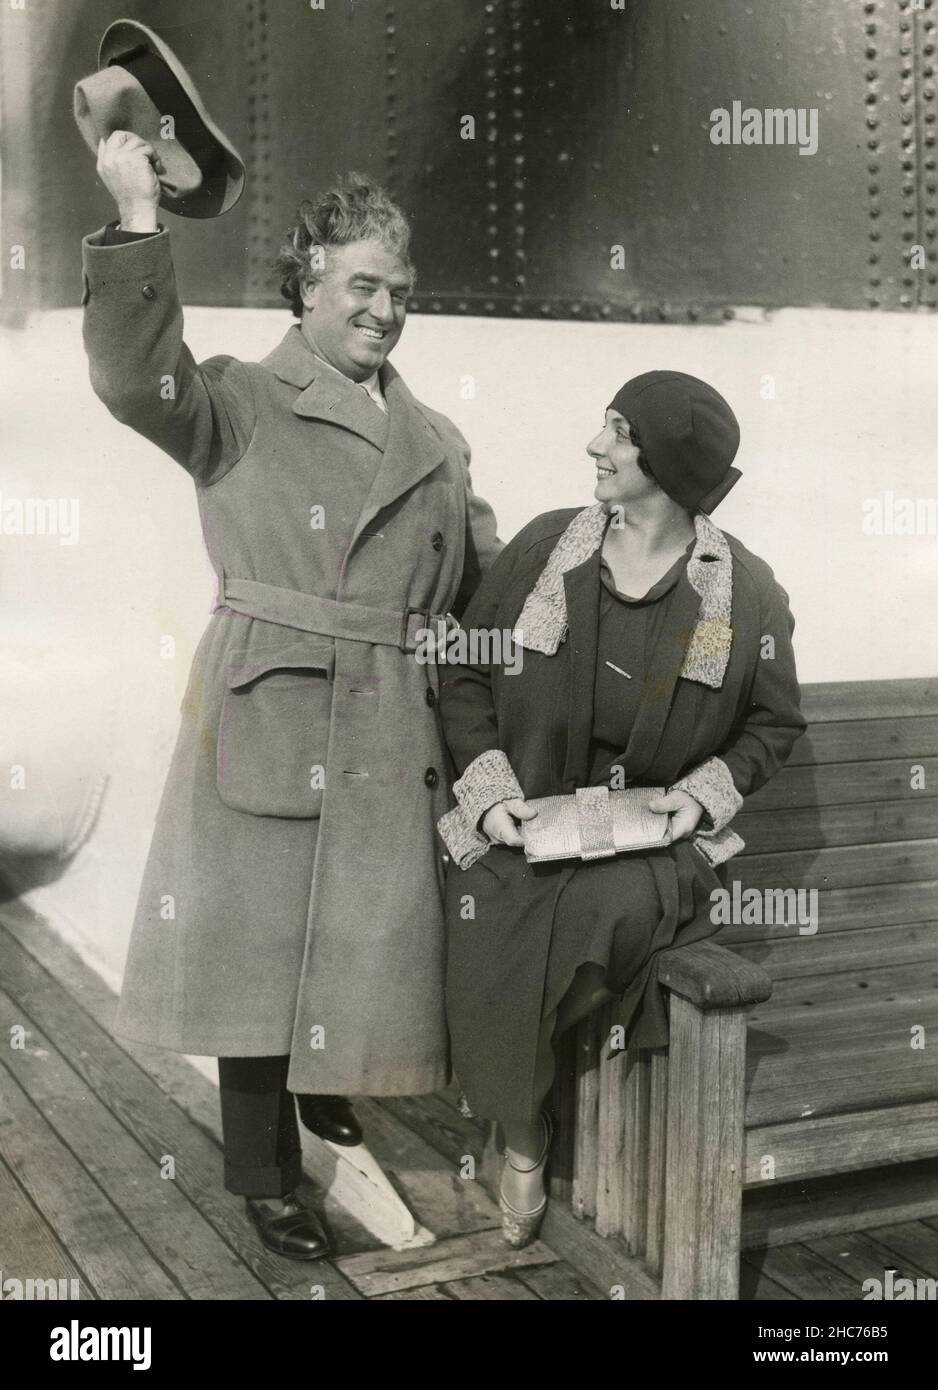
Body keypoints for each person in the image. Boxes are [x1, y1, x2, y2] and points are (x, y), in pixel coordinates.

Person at [81, 131, 501, 1259]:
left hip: (386, 714)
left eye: (399, 292)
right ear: (308, 277)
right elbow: (132, 377)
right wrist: (135, 219)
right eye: (361, 284)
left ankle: (333, 1107)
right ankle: (265, 1174)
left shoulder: (439, 440)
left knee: (365, 941)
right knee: (258, 952)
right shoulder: (239, 399)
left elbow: (482, 585)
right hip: (272, 698)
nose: (383, 311)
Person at [436, 371, 806, 1247]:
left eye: (618, 434)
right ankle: (525, 1132)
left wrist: (697, 797)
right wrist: (490, 798)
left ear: (667, 465)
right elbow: (464, 674)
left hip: (649, 853)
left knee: (596, 920)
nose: (596, 448)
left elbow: (772, 722)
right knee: (484, 912)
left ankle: (519, 1126)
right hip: (527, 827)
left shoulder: (742, 593)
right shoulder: (542, 552)